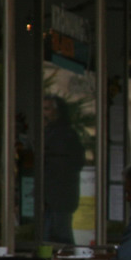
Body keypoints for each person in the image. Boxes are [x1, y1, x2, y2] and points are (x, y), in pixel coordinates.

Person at [42, 97, 84, 244]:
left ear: (57, 113)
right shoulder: (51, 132)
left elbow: (67, 164)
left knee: (59, 234)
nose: (43, 114)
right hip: (51, 196)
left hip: (59, 196)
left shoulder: (64, 135)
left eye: (47, 109)